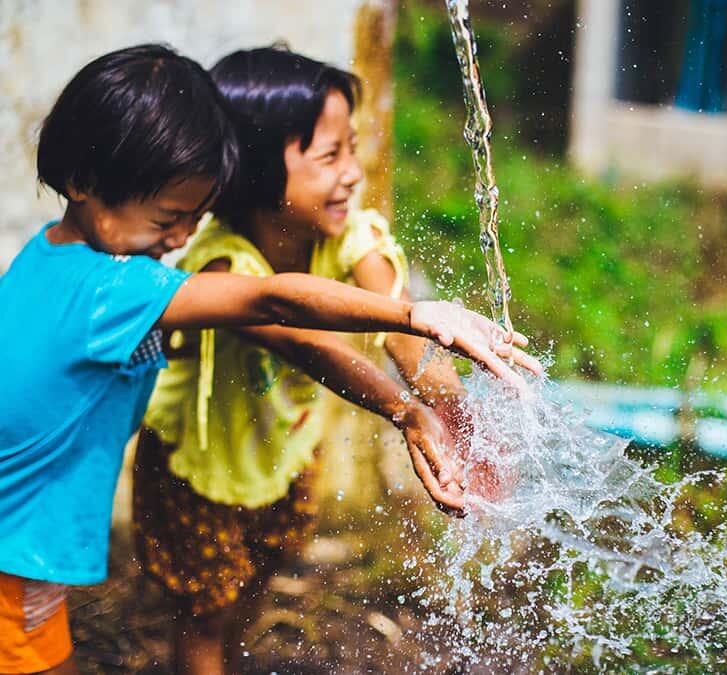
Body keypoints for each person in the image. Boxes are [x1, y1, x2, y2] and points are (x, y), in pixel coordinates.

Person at [0, 44, 537, 675]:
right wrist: (414, 316)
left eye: (190, 218)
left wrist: (441, 401)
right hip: (32, 532)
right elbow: (277, 305)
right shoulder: (113, 288)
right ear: (84, 184)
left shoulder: (54, 258)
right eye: (169, 219)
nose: (177, 242)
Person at [133, 45, 503, 674]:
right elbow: (308, 344)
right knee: (204, 609)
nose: (353, 173)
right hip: (195, 462)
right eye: (330, 156)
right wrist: (403, 412)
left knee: (261, 574)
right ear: (253, 170)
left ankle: (230, 657)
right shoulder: (223, 266)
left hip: (287, 448)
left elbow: (402, 329)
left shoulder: (351, 236)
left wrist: (451, 407)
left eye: (352, 149)